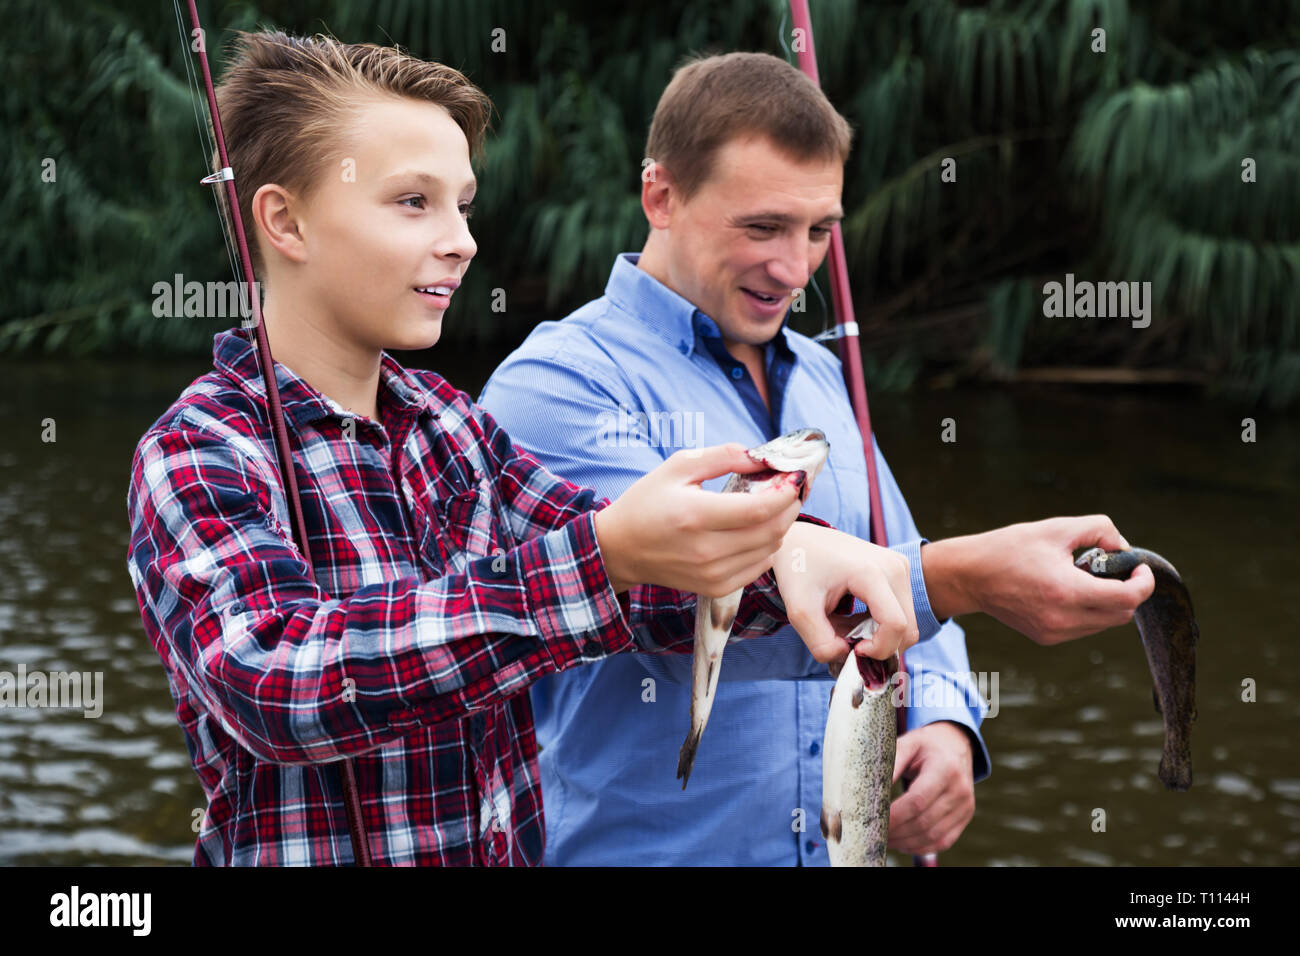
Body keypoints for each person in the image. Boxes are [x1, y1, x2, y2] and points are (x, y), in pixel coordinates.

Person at [124, 33, 921, 866]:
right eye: (412, 202)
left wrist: (779, 558)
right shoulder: (198, 451)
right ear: (285, 220)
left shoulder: (453, 424)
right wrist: (605, 557)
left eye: (462, 205)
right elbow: (281, 683)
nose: (461, 240)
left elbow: (639, 585)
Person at [478, 51, 1155, 865]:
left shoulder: (828, 373)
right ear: (661, 195)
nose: (795, 270)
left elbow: (892, 552)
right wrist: (969, 579)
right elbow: (705, 600)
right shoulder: (553, 387)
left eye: (819, 231)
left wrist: (943, 720)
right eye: (762, 227)